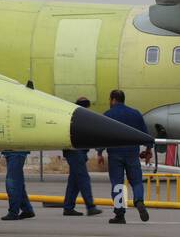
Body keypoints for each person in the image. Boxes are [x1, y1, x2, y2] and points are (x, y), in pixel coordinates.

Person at [102, 89, 153, 224]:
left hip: (115, 154)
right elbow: (146, 135)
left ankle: (120, 214)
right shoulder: (135, 114)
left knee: (118, 184)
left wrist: (99, 152)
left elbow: (102, 135)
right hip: (132, 153)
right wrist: (148, 150)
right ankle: (139, 201)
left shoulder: (108, 115)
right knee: (136, 181)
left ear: (113, 99)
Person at [62, 97, 103, 217]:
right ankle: (90, 206)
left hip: (75, 152)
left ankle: (68, 207)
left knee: (74, 180)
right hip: (76, 152)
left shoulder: (71, 115)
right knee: (83, 178)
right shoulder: (80, 117)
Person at [0, 150, 35, 220]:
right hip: (14, 152)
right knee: (18, 183)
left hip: (15, 151)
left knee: (12, 183)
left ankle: (13, 212)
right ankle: (27, 209)